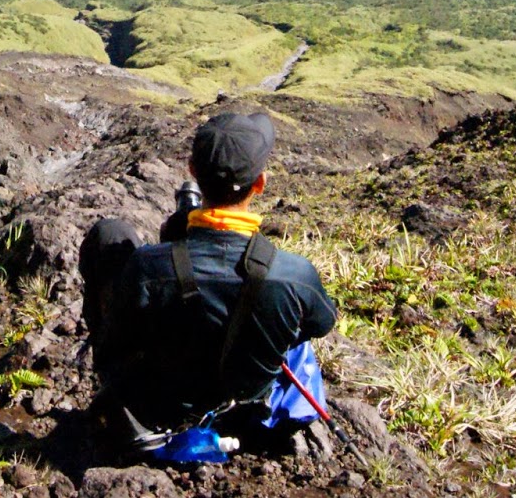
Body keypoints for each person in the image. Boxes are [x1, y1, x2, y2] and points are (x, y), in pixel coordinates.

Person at [77, 111, 338, 455]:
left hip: (157, 411)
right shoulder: (294, 275)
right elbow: (320, 323)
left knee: (110, 235)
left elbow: (116, 340)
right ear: (259, 183)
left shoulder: (147, 266)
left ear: (193, 171)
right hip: (245, 415)